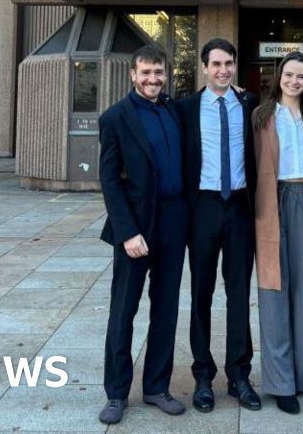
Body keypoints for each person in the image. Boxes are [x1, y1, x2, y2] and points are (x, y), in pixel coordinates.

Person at [97, 45, 189, 425]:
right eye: (146, 73)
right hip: (136, 227)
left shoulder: (174, 111)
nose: (153, 79)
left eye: (159, 72)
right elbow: (109, 179)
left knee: (165, 309)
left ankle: (156, 386)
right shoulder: (115, 118)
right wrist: (127, 232)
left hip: (174, 223)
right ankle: (116, 393)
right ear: (133, 75)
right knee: (124, 311)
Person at [174, 38, 262, 413]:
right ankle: (203, 375)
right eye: (216, 64)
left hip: (240, 206)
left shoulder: (251, 104)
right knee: (201, 295)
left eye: (229, 63)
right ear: (205, 67)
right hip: (204, 208)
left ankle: (239, 374)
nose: (223, 70)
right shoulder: (185, 109)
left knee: (240, 293)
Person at [251, 51, 303, 415]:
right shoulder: (261, 116)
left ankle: (300, 376)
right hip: (272, 200)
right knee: (273, 288)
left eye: (301, 76)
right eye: (289, 74)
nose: (294, 81)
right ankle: (280, 382)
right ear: (278, 76)